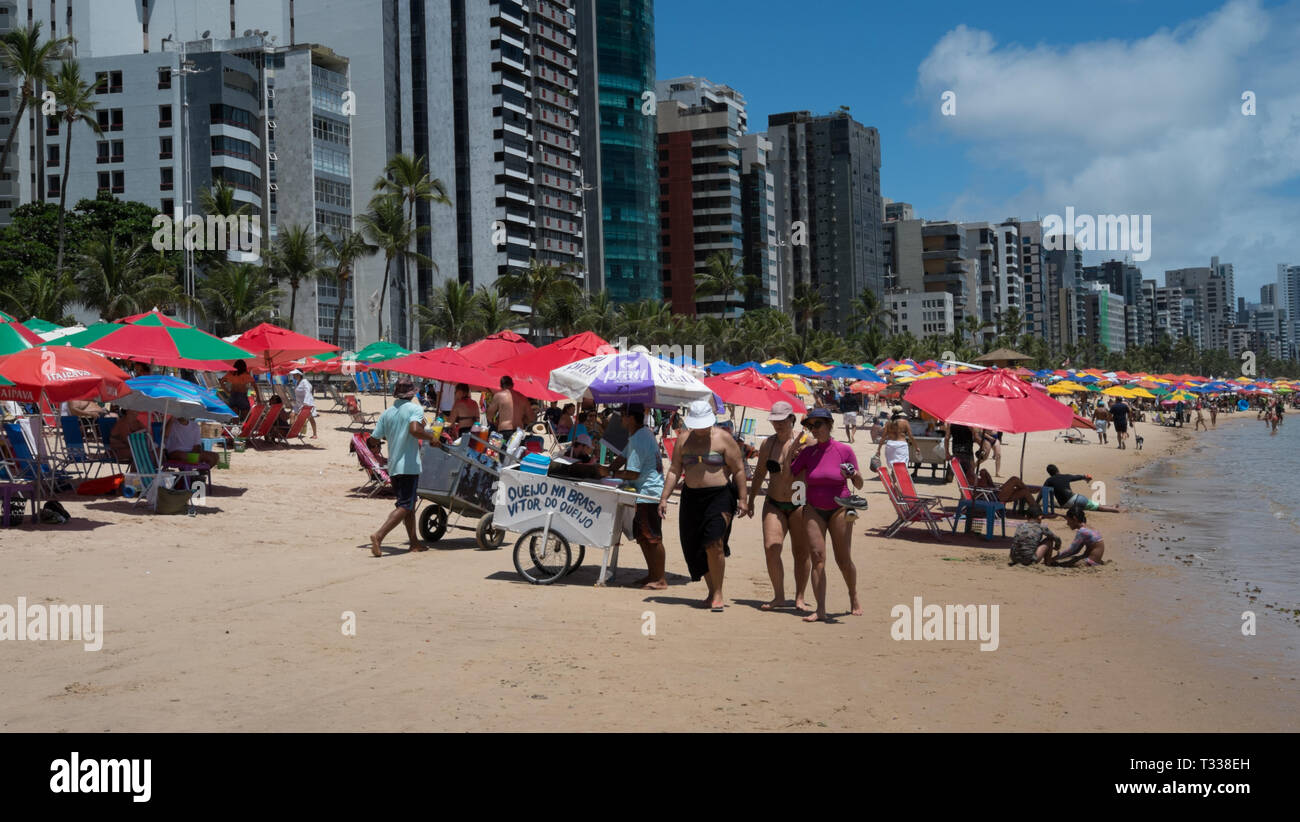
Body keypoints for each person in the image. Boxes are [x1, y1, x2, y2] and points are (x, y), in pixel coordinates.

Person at [658, 399, 749, 612]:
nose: (700, 429)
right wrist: (663, 498)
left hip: (719, 496)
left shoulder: (724, 439)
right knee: (696, 547)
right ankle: (711, 591)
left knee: (714, 542)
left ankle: (718, 594)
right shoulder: (683, 440)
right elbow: (674, 470)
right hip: (691, 498)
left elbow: (738, 469)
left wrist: (743, 499)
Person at [789, 407, 863, 623]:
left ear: (830, 425)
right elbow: (790, 474)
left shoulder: (844, 450)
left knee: (843, 559)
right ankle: (820, 609)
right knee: (818, 557)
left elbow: (858, 483)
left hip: (840, 507)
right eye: (810, 426)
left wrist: (854, 474)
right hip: (813, 508)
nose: (814, 430)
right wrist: (794, 447)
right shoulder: (807, 452)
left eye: (818, 425)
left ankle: (853, 594)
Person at [747, 400, 811, 612]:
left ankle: (800, 596)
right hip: (774, 502)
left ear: (792, 419)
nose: (778, 424)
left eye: (782, 420)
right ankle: (779, 596)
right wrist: (750, 500)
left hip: (799, 502)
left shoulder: (807, 442)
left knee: (801, 553)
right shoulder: (768, 444)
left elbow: (819, 470)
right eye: (775, 421)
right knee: (771, 547)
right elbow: (759, 474)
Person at [369, 380, 439, 557]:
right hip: (408, 465)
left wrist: (377, 446)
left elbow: (373, 439)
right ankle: (379, 536)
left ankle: (414, 543)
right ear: (412, 393)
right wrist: (431, 437)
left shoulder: (387, 413)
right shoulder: (415, 409)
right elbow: (415, 430)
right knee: (405, 506)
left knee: (409, 505)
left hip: (393, 465)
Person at [606, 404, 666, 589]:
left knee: (652, 538)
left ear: (631, 417)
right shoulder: (640, 434)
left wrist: (612, 475)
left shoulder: (639, 438)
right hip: (643, 492)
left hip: (648, 492)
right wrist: (609, 469)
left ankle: (660, 579)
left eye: (623, 415)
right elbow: (622, 458)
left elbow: (632, 473)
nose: (621, 419)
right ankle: (652, 575)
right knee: (642, 536)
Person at [1042, 464, 1121, 513]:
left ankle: (1115, 510)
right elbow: (1077, 477)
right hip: (1077, 498)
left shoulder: (1049, 480)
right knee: (1095, 506)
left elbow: (1042, 492)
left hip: (1070, 503)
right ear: (1058, 470)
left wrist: (1036, 502)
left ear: (1049, 473)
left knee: (1098, 507)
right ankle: (1112, 507)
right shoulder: (1065, 476)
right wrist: (1085, 477)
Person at [290, 369, 318, 439]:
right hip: (298, 403)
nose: (293, 376)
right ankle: (293, 432)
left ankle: (315, 434)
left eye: (294, 374)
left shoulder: (304, 381)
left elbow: (308, 391)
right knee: (292, 415)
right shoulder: (297, 382)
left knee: (310, 418)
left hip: (307, 403)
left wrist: (306, 402)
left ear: (299, 374)